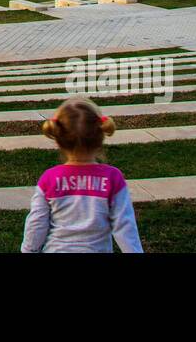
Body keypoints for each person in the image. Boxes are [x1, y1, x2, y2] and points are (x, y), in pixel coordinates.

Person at [21, 97, 143, 254]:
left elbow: (36, 223)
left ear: (58, 140)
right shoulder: (113, 178)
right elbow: (125, 226)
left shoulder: (49, 179)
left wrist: (28, 250)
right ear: (100, 138)